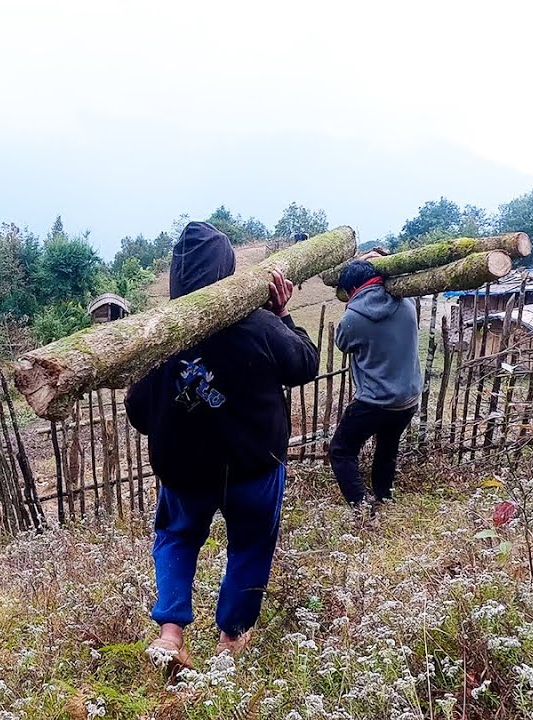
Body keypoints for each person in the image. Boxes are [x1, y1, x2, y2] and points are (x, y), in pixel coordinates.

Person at [126, 221, 319, 672]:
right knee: (250, 545)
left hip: (183, 472)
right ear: (227, 269)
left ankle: (170, 634)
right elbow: (305, 364)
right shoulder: (259, 324)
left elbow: (138, 415)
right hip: (253, 467)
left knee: (176, 537)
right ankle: (230, 639)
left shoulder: (160, 338)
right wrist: (281, 315)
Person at [326, 259, 422, 511]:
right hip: (408, 399)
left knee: (341, 450)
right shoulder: (407, 303)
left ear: (351, 290)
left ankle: (361, 506)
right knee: (388, 447)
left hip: (374, 403)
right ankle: (383, 497)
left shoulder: (353, 319)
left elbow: (343, 344)